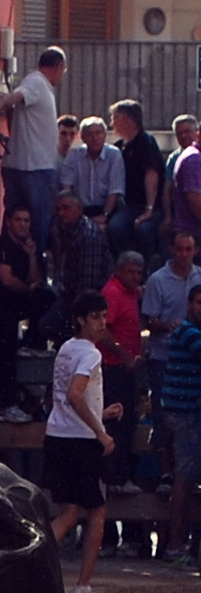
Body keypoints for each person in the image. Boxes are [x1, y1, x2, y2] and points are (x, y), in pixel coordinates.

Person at [43, 292, 124, 593]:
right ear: (80, 319)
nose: (101, 323)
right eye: (95, 317)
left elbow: (68, 399)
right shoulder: (91, 354)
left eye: (104, 316)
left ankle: (32, 561)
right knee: (95, 511)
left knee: (68, 512)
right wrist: (100, 432)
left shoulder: (66, 349)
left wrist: (100, 414)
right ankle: (82, 585)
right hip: (81, 442)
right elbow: (75, 395)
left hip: (59, 436)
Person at [0, 46, 67, 258]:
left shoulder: (37, 84)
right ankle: (32, 267)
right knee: (38, 223)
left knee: (15, 222)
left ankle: (10, 262)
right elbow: (17, 96)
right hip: (35, 168)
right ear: (59, 66)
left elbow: (16, 104)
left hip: (21, 164)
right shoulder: (37, 82)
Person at [141, 230, 201, 497]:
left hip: (192, 359)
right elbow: (150, 321)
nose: (184, 254)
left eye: (188, 249)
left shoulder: (200, 277)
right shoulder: (158, 279)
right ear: (171, 249)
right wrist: (170, 326)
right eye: (179, 248)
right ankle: (166, 473)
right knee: (163, 416)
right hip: (164, 355)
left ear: (195, 250)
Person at [0, 204, 46, 423]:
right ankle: (4, 406)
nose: (23, 225)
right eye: (18, 220)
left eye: (26, 221)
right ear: (8, 222)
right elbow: (7, 279)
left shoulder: (23, 249)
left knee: (44, 297)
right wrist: (28, 290)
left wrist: (31, 256)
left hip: (11, 312)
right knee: (1, 357)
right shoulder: (0, 245)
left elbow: (34, 280)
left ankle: (33, 342)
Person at [159, 283, 201, 569]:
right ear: (189, 304)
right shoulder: (188, 332)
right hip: (184, 414)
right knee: (185, 479)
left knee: (187, 478)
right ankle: (174, 546)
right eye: (199, 302)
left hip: (187, 413)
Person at [97, 251, 144, 496]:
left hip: (124, 366)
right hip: (112, 366)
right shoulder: (113, 292)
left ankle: (118, 475)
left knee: (127, 420)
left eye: (138, 273)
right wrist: (123, 354)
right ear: (119, 270)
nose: (135, 277)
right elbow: (102, 330)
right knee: (118, 420)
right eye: (130, 272)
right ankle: (114, 477)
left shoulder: (131, 292)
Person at [45, 189, 114, 345]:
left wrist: (77, 315)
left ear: (79, 209)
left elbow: (88, 286)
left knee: (53, 324)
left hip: (89, 301)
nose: (61, 213)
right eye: (58, 209)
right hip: (71, 292)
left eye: (66, 208)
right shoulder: (68, 229)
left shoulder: (89, 236)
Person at [108, 99, 164, 261]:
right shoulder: (120, 146)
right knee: (115, 228)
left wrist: (149, 209)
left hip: (152, 207)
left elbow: (151, 175)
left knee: (144, 230)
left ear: (126, 118)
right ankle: (122, 267)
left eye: (114, 118)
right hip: (129, 206)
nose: (111, 123)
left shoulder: (146, 142)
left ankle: (143, 270)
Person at [58, 116, 125, 228]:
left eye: (99, 133)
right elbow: (67, 188)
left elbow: (115, 190)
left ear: (105, 135)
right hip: (80, 209)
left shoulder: (114, 154)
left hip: (107, 208)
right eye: (90, 134)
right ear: (82, 137)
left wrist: (105, 215)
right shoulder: (74, 155)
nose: (95, 138)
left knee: (113, 227)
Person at [160, 114, 199, 252]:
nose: (183, 136)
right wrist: (168, 217)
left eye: (187, 131)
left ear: (196, 132)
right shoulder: (182, 158)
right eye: (179, 133)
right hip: (187, 221)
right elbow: (167, 189)